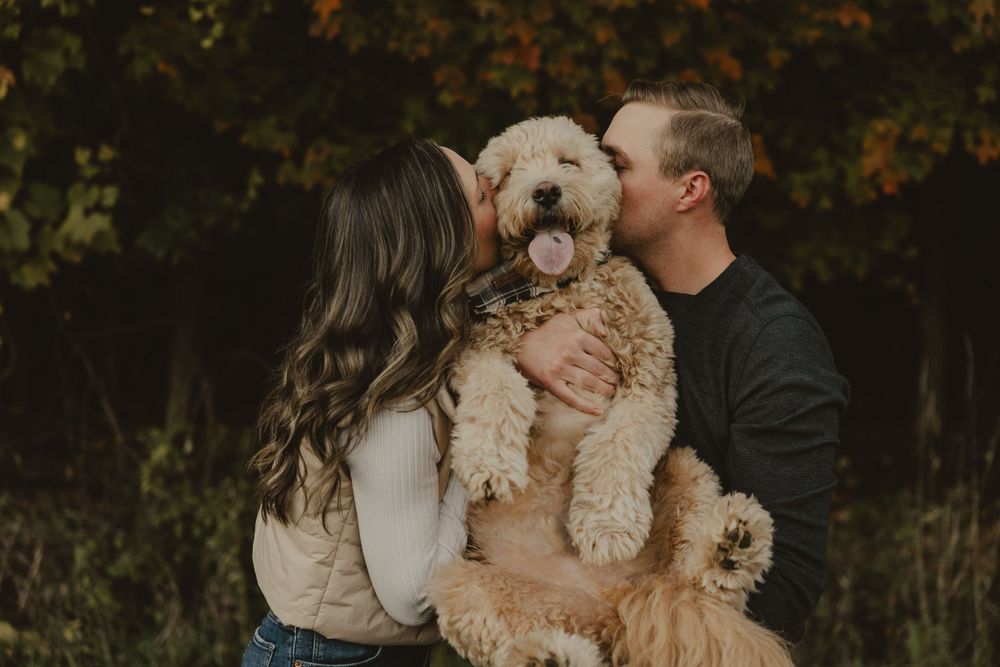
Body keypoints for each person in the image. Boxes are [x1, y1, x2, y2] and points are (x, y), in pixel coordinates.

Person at [515, 80, 850, 643]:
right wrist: (523, 345)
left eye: (616, 163)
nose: (592, 175)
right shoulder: (580, 280)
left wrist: (607, 614)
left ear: (690, 190)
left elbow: (782, 586)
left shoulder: (774, 344)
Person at [240, 137, 499, 667]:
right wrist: (485, 453)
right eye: (482, 195)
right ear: (443, 243)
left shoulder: (376, 356)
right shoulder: (395, 407)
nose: (499, 193)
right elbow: (414, 594)